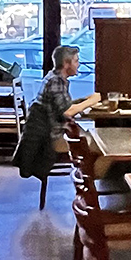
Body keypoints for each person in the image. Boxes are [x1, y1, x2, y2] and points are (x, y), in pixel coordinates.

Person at [13, 46, 101, 180]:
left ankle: (87, 179)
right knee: (95, 145)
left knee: (91, 139)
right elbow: (66, 112)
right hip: (52, 136)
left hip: (50, 130)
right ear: (66, 64)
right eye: (76, 61)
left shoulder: (54, 78)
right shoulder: (56, 81)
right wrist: (90, 102)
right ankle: (91, 179)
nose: (78, 65)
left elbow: (61, 105)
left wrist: (85, 99)